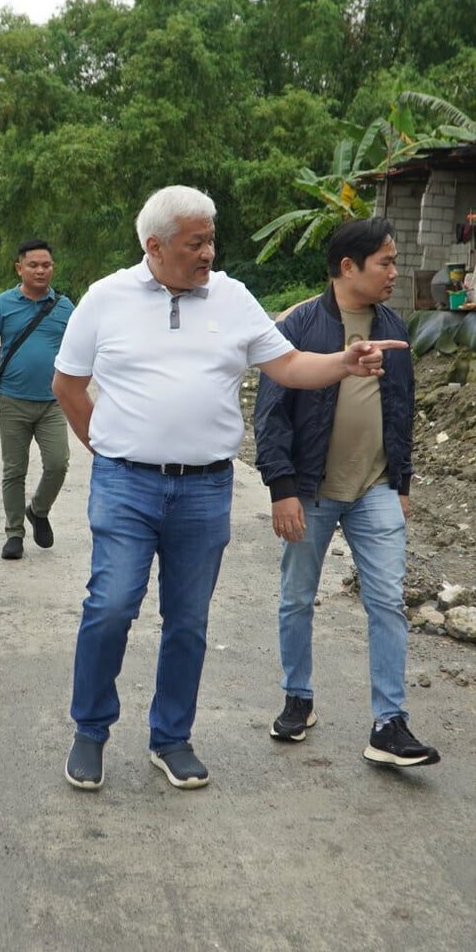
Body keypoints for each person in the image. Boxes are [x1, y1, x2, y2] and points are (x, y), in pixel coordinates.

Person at [51, 186, 408, 791]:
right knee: (110, 607)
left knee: (188, 620)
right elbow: (68, 384)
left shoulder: (233, 297)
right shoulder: (105, 298)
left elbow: (288, 366)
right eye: (196, 243)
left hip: (205, 489)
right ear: (155, 246)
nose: (209, 254)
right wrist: (108, 450)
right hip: (126, 485)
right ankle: (90, 731)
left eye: (211, 241)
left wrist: (344, 363)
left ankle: (171, 737)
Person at [254, 218, 439, 769]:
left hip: (375, 488)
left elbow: (402, 409)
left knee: (387, 600)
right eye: (386, 262)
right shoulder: (300, 326)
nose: (395, 272)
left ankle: (389, 723)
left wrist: (401, 483)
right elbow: (271, 415)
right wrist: (282, 489)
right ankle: (298, 698)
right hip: (311, 490)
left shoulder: (394, 328)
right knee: (297, 597)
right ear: (347, 267)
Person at [0, 240, 74, 560]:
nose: (40, 270)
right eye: (33, 265)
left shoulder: (64, 307)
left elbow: (79, 350)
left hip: (52, 401)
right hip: (12, 400)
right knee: (14, 470)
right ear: (20, 268)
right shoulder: (3, 304)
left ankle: (39, 510)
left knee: (58, 463)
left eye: (46, 265)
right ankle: (14, 533)